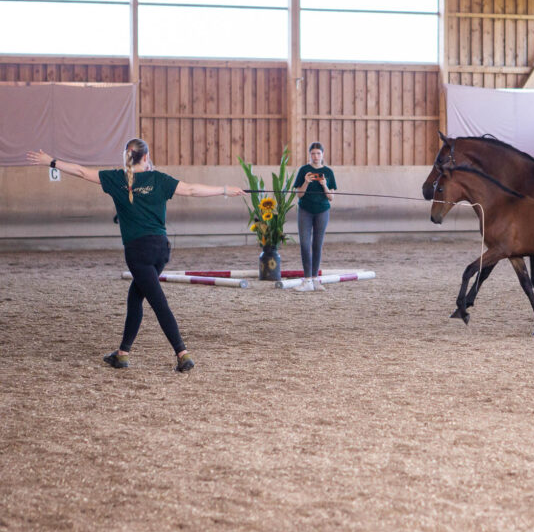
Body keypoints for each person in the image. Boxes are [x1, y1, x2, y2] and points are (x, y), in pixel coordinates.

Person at [27, 139, 245, 373]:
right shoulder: (159, 179)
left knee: (158, 303)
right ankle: (122, 354)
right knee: (135, 297)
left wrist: (50, 161)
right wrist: (224, 190)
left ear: (128, 158)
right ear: (146, 157)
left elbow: (80, 171)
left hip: (138, 253)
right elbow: (192, 190)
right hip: (161, 249)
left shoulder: (116, 179)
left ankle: (182, 353)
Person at [292, 142, 337, 292]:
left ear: (323, 154)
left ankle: (315, 278)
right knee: (305, 244)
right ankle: (307, 280)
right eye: (313, 154)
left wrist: (324, 185)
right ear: (309, 155)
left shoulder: (328, 172)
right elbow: (299, 194)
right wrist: (306, 181)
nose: (316, 156)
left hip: (322, 211)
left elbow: (331, 197)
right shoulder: (304, 170)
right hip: (305, 210)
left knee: (317, 245)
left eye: (318, 153)